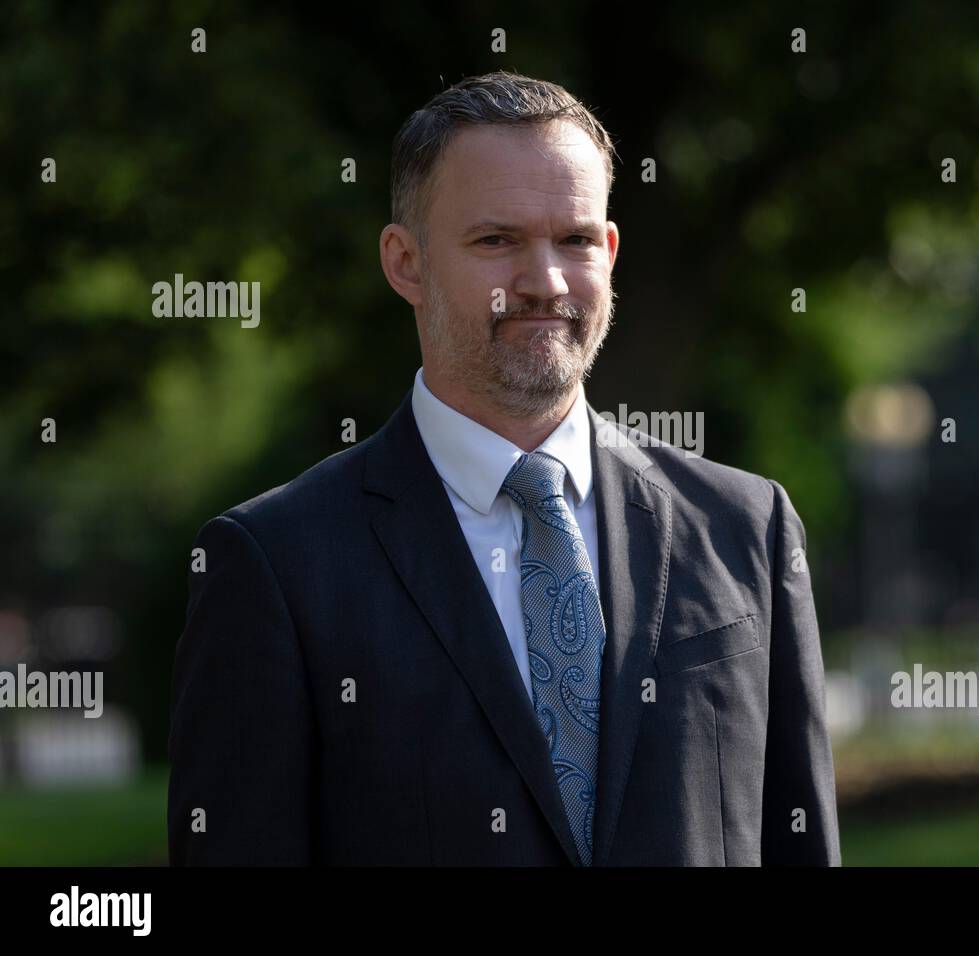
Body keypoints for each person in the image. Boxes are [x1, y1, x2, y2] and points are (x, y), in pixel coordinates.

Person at [167, 70, 840, 866]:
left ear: (611, 252)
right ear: (405, 262)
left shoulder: (745, 528)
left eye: (576, 239)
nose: (545, 281)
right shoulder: (276, 565)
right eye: (497, 241)